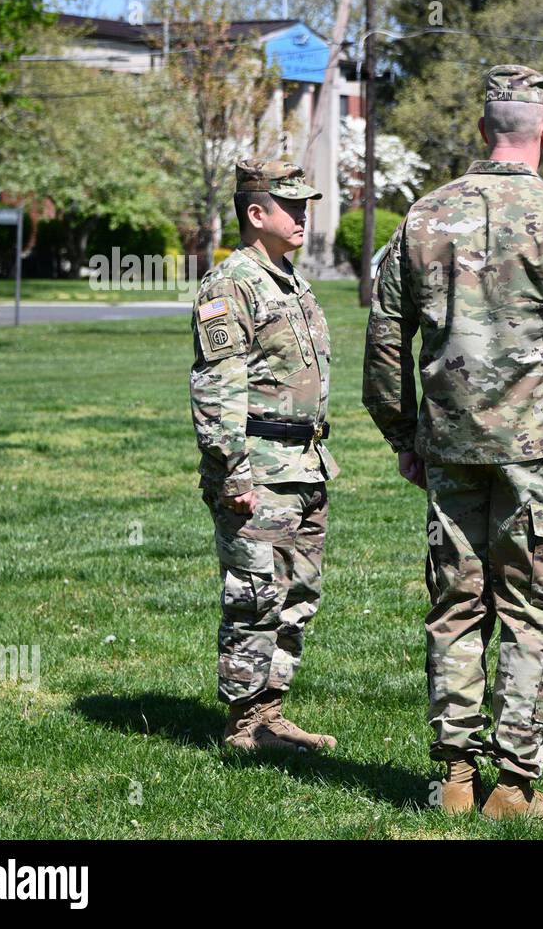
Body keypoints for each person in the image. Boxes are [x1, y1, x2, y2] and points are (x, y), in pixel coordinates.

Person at [363, 64, 543, 819]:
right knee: (534, 612)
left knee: (455, 608)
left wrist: (403, 433)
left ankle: (451, 777)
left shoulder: (422, 217)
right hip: (539, 455)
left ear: (482, 131)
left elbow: (385, 342)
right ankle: (511, 785)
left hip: (449, 447)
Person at [190, 158, 339, 752]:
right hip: (258, 466)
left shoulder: (289, 280)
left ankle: (271, 711)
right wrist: (233, 473)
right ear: (257, 214)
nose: (303, 215)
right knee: (254, 596)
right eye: (292, 206)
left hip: (304, 465)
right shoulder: (232, 285)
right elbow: (216, 386)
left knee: (296, 594)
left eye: (305, 205)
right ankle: (243, 724)